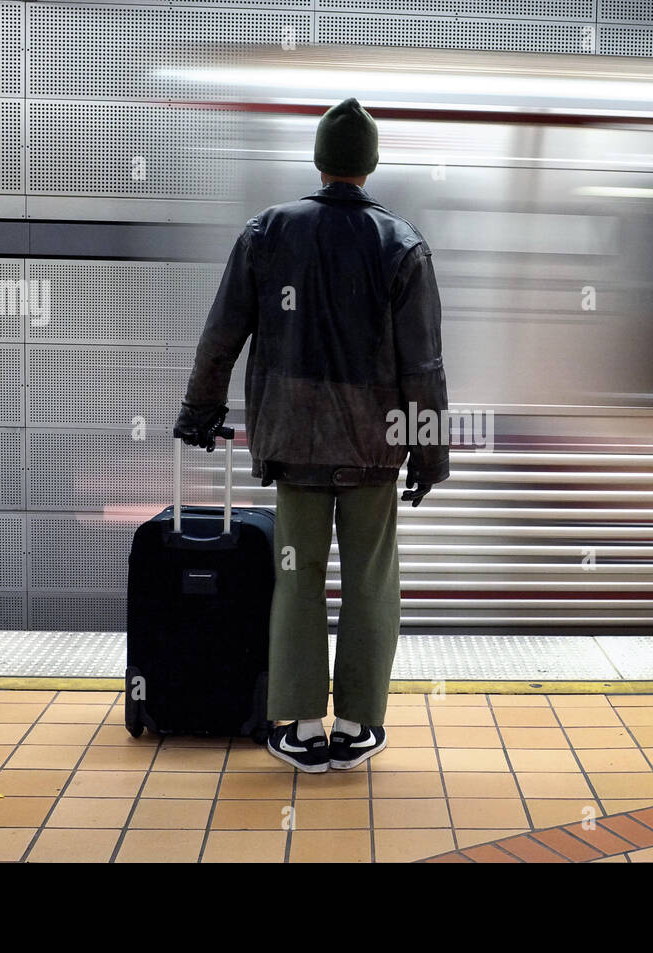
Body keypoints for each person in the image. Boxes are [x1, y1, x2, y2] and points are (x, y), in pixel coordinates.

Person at [173, 97, 449, 773]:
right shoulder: (402, 243)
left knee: (295, 580)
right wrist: (429, 449)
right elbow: (424, 363)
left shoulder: (267, 232)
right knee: (371, 581)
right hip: (373, 450)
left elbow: (222, 335)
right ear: (370, 163)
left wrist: (198, 411)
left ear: (321, 161)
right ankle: (356, 726)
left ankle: (297, 728)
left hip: (293, 444)